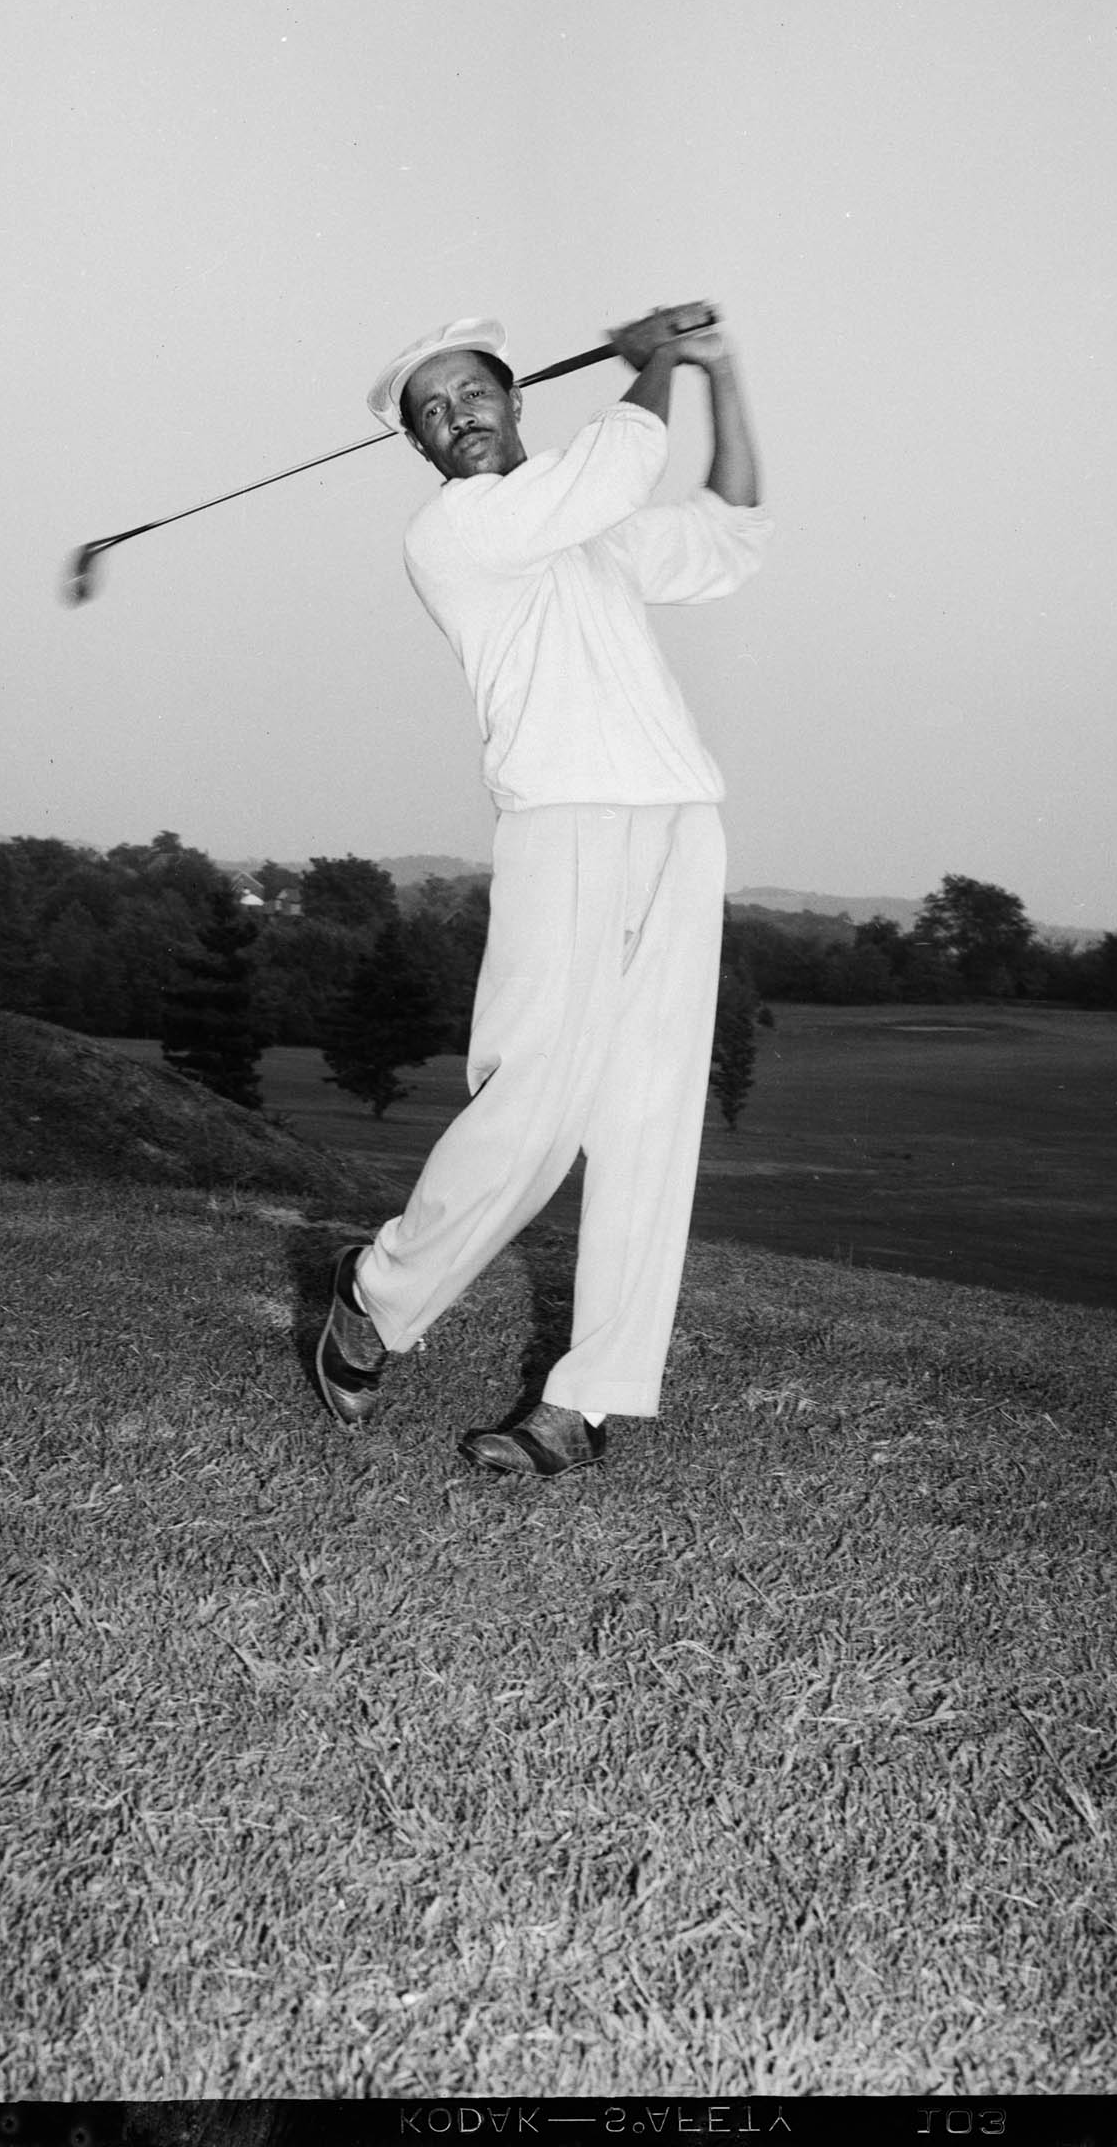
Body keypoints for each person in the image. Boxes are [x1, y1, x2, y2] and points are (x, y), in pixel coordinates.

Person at [313, 300, 771, 1477]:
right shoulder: (457, 531)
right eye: (431, 413)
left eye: (473, 391)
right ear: (420, 449)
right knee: (532, 1109)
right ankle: (375, 1294)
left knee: (647, 1123)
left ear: (515, 400)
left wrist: (719, 376)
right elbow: (620, 454)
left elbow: (728, 535)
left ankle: (583, 1405)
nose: (455, 417)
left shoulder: (593, 527)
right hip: (562, 826)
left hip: (679, 824)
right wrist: (654, 360)